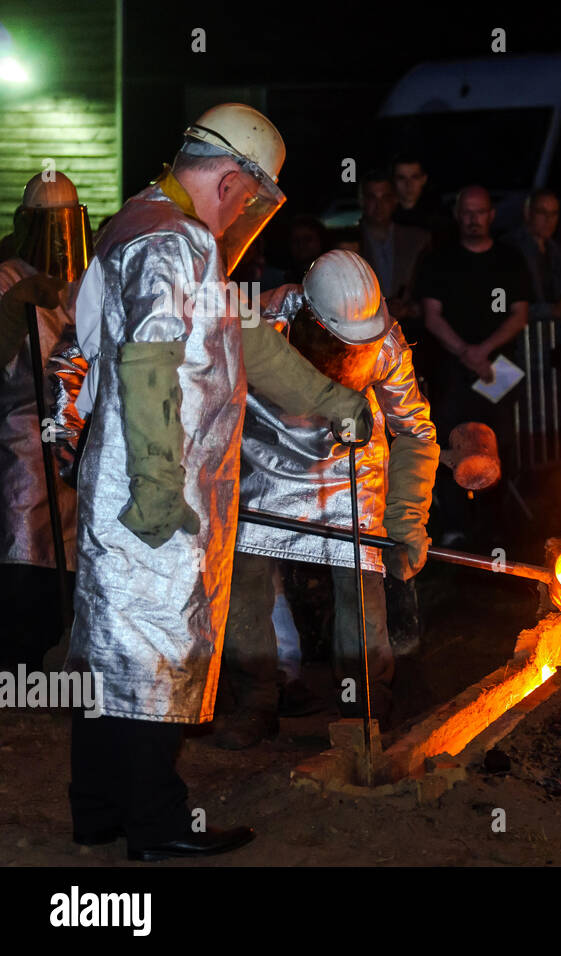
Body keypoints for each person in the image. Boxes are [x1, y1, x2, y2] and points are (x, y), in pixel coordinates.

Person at [65, 103, 374, 861]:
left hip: (131, 472)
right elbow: (146, 367)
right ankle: (157, 826)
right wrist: (159, 494)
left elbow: (240, 340)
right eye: (246, 199)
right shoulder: (177, 242)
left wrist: (336, 401)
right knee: (151, 651)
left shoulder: (137, 222)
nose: (242, 213)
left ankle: (98, 810)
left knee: (116, 645)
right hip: (153, 479)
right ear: (234, 180)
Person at [216, 251, 438, 748]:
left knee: (361, 594)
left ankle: (364, 707)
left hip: (350, 475)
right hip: (264, 470)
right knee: (245, 586)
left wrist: (404, 520)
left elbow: (414, 431)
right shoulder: (262, 324)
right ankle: (255, 702)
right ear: (309, 319)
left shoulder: (387, 345)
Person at [0, 171, 87, 671]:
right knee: (26, 543)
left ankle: (59, 652)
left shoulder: (84, 280)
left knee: (72, 553)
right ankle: (20, 665)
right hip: (24, 436)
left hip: (76, 439)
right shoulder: (9, 277)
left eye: (65, 224)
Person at [415, 185, 529, 546]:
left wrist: (484, 352)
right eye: (467, 212)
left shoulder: (510, 259)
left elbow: (519, 315)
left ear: (491, 215)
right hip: (452, 371)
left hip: (499, 370)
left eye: (479, 212)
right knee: (453, 443)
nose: (473, 219)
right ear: (457, 215)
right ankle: (454, 526)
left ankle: (494, 521)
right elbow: (432, 316)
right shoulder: (438, 259)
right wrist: (466, 352)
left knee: (499, 441)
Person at [359, 171, 431, 329]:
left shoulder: (418, 240)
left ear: (395, 200)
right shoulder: (350, 242)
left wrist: (409, 309)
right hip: (364, 332)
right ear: (362, 201)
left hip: (410, 332)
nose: (379, 206)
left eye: (385, 197)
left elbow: (432, 288)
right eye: (372, 197)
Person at [508, 188, 561, 322]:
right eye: (542, 212)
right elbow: (506, 304)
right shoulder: (511, 249)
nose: (549, 220)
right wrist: (552, 310)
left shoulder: (556, 251)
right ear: (528, 213)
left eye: (554, 214)